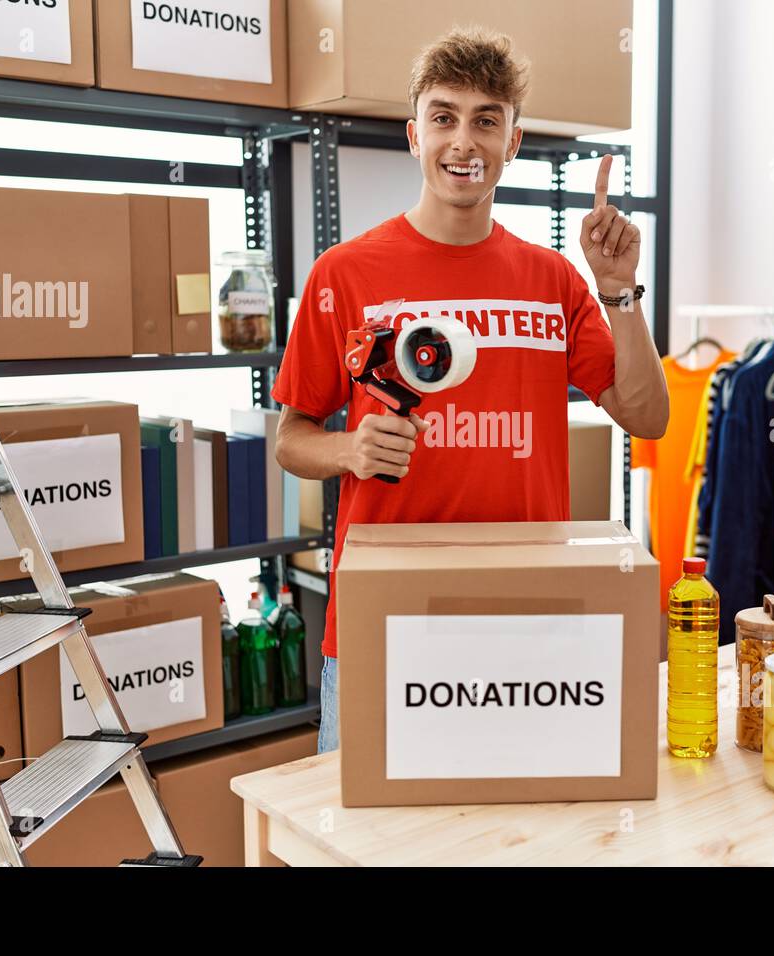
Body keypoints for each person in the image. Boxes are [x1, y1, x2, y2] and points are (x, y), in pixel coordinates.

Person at [272, 27, 669, 754]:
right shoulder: (343, 274)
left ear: (513, 141)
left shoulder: (552, 281)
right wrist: (350, 449)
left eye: (488, 119)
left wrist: (619, 292)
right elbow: (291, 440)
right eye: (445, 116)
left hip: (525, 626)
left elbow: (647, 417)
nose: (465, 140)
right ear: (413, 135)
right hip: (383, 623)